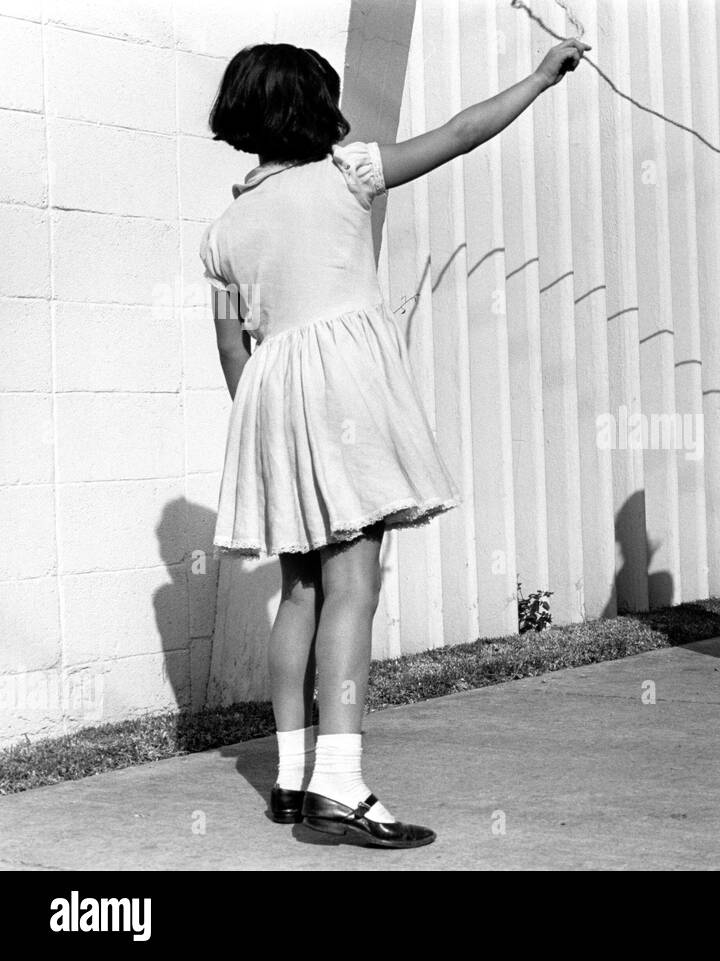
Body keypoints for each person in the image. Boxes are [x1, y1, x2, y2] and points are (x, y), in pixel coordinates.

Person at [200, 38, 588, 847]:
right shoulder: (348, 172)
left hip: (274, 399)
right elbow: (461, 133)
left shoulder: (225, 227)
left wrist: (275, 433)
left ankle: (292, 775)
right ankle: (340, 786)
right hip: (344, 389)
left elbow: (235, 350)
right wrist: (539, 79)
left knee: (301, 587)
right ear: (317, 106)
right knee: (354, 584)